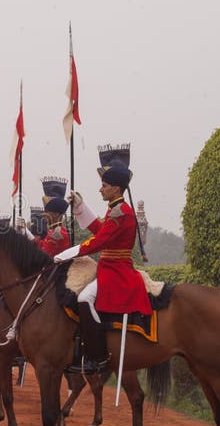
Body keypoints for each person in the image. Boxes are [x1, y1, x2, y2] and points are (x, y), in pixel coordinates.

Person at [53, 147, 150, 372]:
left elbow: (98, 242)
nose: (101, 189)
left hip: (118, 271)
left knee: (85, 298)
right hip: (108, 268)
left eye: (104, 186)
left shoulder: (121, 212)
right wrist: (81, 208)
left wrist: (66, 254)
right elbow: (100, 229)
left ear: (116, 188)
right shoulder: (115, 210)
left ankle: (98, 355)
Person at [30, 177, 72, 257]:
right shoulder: (54, 231)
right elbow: (40, 244)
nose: (44, 214)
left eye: (47, 212)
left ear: (55, 214)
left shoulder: (57, 233)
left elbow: (43, 256)